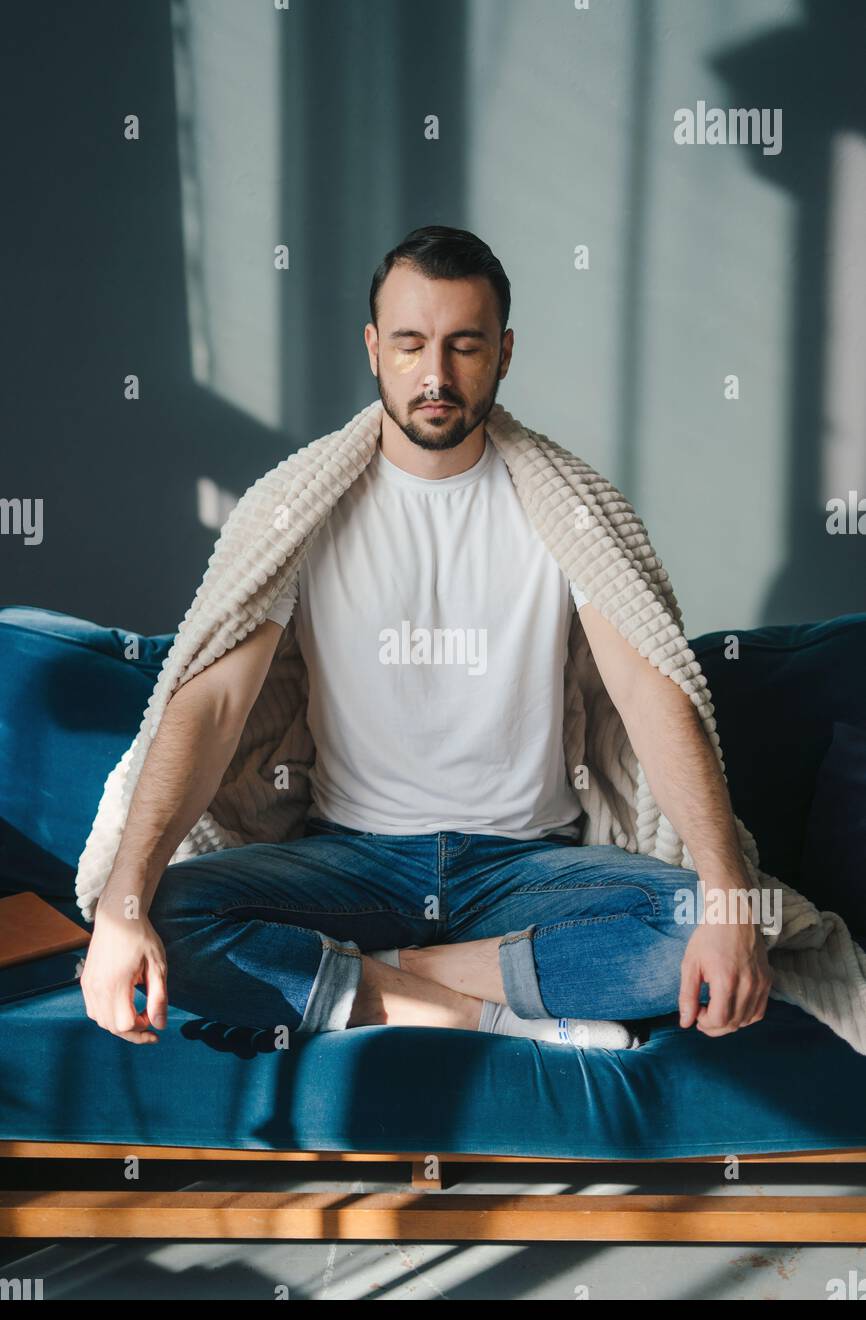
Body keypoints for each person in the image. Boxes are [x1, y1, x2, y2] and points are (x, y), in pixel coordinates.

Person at [80, 226, 771, 1049]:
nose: (435, 375)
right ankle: (489, 1014)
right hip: (351, 866)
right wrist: (124, 902)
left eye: (464, 346)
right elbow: (214, 704)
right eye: (410, 345)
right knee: (160, 913)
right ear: (374, 349)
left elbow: (650, 692)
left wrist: (727, 894)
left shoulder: (569, 510)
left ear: (504, 353)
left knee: (701, 916)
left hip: (524, 868)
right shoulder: (299, 513)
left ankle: (375, 976)